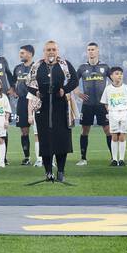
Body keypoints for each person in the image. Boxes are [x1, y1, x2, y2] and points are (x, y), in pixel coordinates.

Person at [26, 41, 78, 182]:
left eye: (53, 49)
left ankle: (61, 171)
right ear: (44, 51)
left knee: (62, 141)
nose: (51, 52)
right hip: (43, 108)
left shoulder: (64, 64)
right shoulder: (36, 66)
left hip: (61, 107)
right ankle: (48, 172)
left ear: (57, 51)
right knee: (45, 142)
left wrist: (64, 90)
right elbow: (28, 84)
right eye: (48, 49)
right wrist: (36, 92)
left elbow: (75, 80)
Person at [75, 41, 111, 166]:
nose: (91, 51)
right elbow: (73, 82)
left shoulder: (105, 67)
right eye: (89, 49)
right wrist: (78, 93)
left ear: (98, 51)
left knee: (108, 130)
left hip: (102, 105)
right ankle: (83, 158)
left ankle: (113, 157)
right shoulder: (82, 68)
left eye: (93, 49)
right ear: (87, 52)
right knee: (85, 130)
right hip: (87, 104)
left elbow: (116, 81)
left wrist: (110, 95)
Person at [100, 66, 127, 167]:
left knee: (122, 136)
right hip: (113, 113)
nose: (119, 76)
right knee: (114, 136)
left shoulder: (126, 88)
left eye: (121, 74)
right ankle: (114, 159)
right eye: (117, 74)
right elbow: (105, 102)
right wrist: (110, 111)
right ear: (111, 76)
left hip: (124, 112)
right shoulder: (108, 89)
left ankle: (121, 159)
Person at [10, 44, 36, 165]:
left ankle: (42, 158)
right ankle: (27, 157)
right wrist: (13, 91)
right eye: (20, 53)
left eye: (23, 53)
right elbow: (12, 82)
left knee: (38, 131)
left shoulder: (37, 67)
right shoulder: (17, 68)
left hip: (35, 101)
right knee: (24, 131)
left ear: (30, 54)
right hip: (21, 102)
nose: (20, 55)